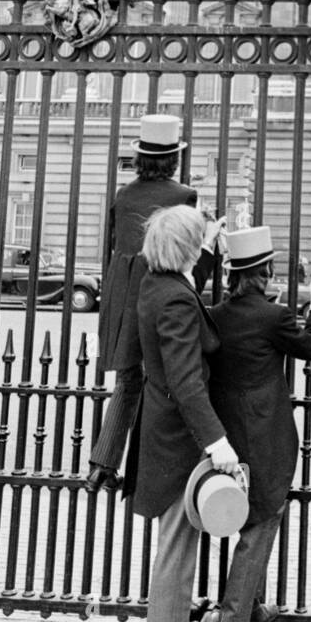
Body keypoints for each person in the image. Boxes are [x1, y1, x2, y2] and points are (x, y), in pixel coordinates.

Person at [196, 226, 311, 622]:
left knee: (247, 514)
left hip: (227, 435)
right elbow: (310, 346)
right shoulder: (273, 317)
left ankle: (249, 602)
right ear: (266, 272)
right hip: (267, 435)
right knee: (262, 519)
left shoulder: (217, 313)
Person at [129, 203, 239, 622]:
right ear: (186, 249)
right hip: (178, 441)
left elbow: (188, 287)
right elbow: (186, 381)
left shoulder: (159, 282)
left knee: (176, 550)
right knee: (176, 554)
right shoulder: (174, 299)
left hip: (163, 433)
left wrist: (208, 244)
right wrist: (217, 443)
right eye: (197, 240)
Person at [85, 114, 223, 493]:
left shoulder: (123, 195)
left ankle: (103, 463)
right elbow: (187, 256)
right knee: (169, 377)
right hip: (159, 288)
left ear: (141, 158)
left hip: (121, 290)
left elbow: (115, 246)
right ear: (174, 159)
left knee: (128, 378)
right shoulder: (183, 197)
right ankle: (157, 471)